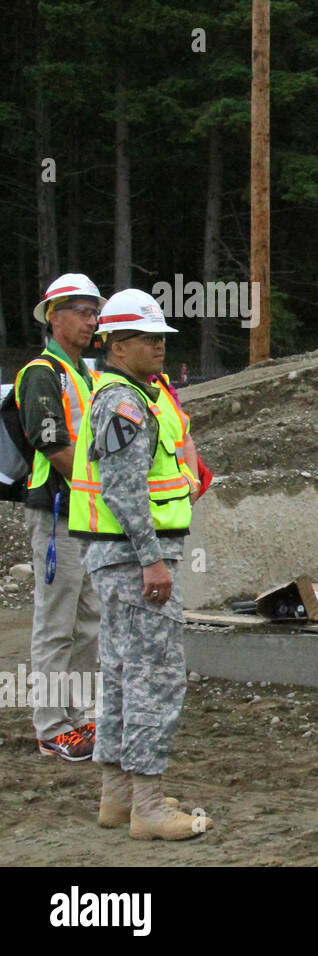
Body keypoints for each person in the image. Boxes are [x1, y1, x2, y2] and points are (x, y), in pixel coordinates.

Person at [67, 289, 209, 839]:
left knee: (123, 677)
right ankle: (147, 806)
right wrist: (153, 561)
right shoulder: (125, 402)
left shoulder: (126, 396)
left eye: (162, 338)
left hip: (118, 558)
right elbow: (124, 491)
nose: (160, 346)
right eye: (149, 338)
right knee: (154, 678)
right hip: (133, 560)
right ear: (117, 345)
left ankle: (118, 797)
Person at [16, 274, 106, 761]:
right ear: (54, 316)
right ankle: (53, 725)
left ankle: (78, 718)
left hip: (84, 511)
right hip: (57, 510)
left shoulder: (85, 374)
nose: (92, 320)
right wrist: (103, 491)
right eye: (82, 310)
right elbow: (53, 445)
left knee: (87, 618)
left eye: (94, 311)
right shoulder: (42, 373)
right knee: (56, 620)